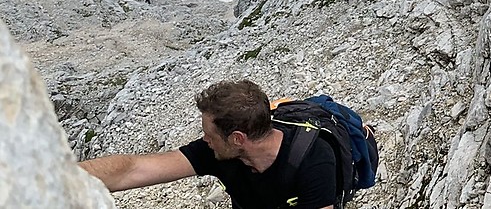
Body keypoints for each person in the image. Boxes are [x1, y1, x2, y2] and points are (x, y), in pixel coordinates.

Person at [80, 79, 336, 209]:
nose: (204, 140)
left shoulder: (314, 159)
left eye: (210, 135)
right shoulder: (217, 151)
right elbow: (133, 169)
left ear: (237, 139)